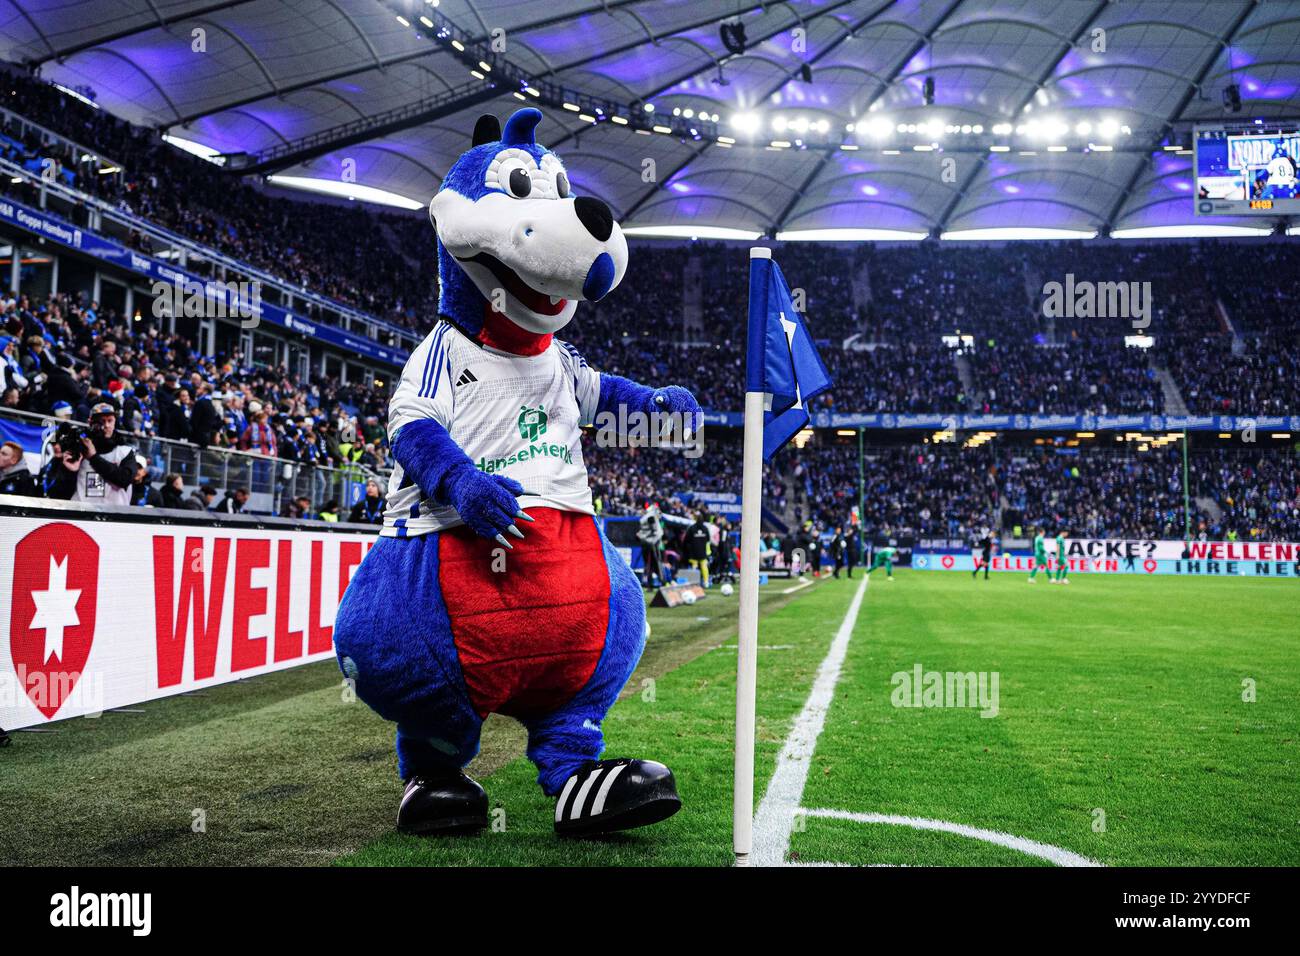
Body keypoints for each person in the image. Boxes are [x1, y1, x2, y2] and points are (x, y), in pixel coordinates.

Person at [42, 403, 140, 506]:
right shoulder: (78, 450)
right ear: (90, 423)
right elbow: (57, 495)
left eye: (110, 420)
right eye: (102, 421)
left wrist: (94, 458)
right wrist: (69, 472)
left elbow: (124, 479)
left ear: (115, 422)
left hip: (114, 512)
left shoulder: (124, 452)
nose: (106, 425)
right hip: (81, 512)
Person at [637, 501, 665, 588]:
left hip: (651, 543)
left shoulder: (650, 516)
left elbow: (654, 530)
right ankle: (653, 582)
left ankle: (661, 581)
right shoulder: (648, 516)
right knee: (651, 563)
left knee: (653, 563)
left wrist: (643, 537)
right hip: (648, 543)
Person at [684, 511, 712, 588]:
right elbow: (708, 539)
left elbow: (687, 540)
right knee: (704, 566)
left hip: (693, 552)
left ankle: (694, 583)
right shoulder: (705, 528)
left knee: (694, 566)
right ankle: (706, 582)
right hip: (703, 551)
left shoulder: (691, 528)